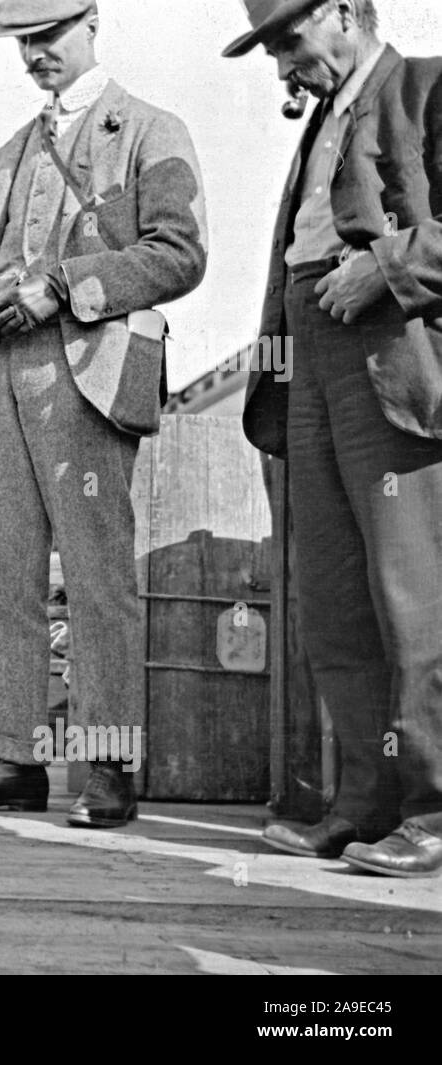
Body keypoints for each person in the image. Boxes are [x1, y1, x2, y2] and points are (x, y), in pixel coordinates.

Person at [0, 0, 207, 826]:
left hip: (93, 377)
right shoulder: (12, 148)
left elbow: (179, 252)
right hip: (2, 378)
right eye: (24, 42)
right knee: (1, 574)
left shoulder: (151, 129)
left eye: (49, 37)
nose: (36, 55)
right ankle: (13, 755)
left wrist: (65, 286)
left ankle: (107, 765)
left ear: (92, 27)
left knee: (96, 577)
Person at [224, 0, 442, 878]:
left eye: (289, 39)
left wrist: (384, 270)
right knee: (331, 599)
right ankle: (363, 803)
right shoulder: (321, 117)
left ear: (348, 13)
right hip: (308, 361)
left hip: (388, 359)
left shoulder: (427, 87)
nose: (281, 65)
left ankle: (433, 809)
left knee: (413, 596)